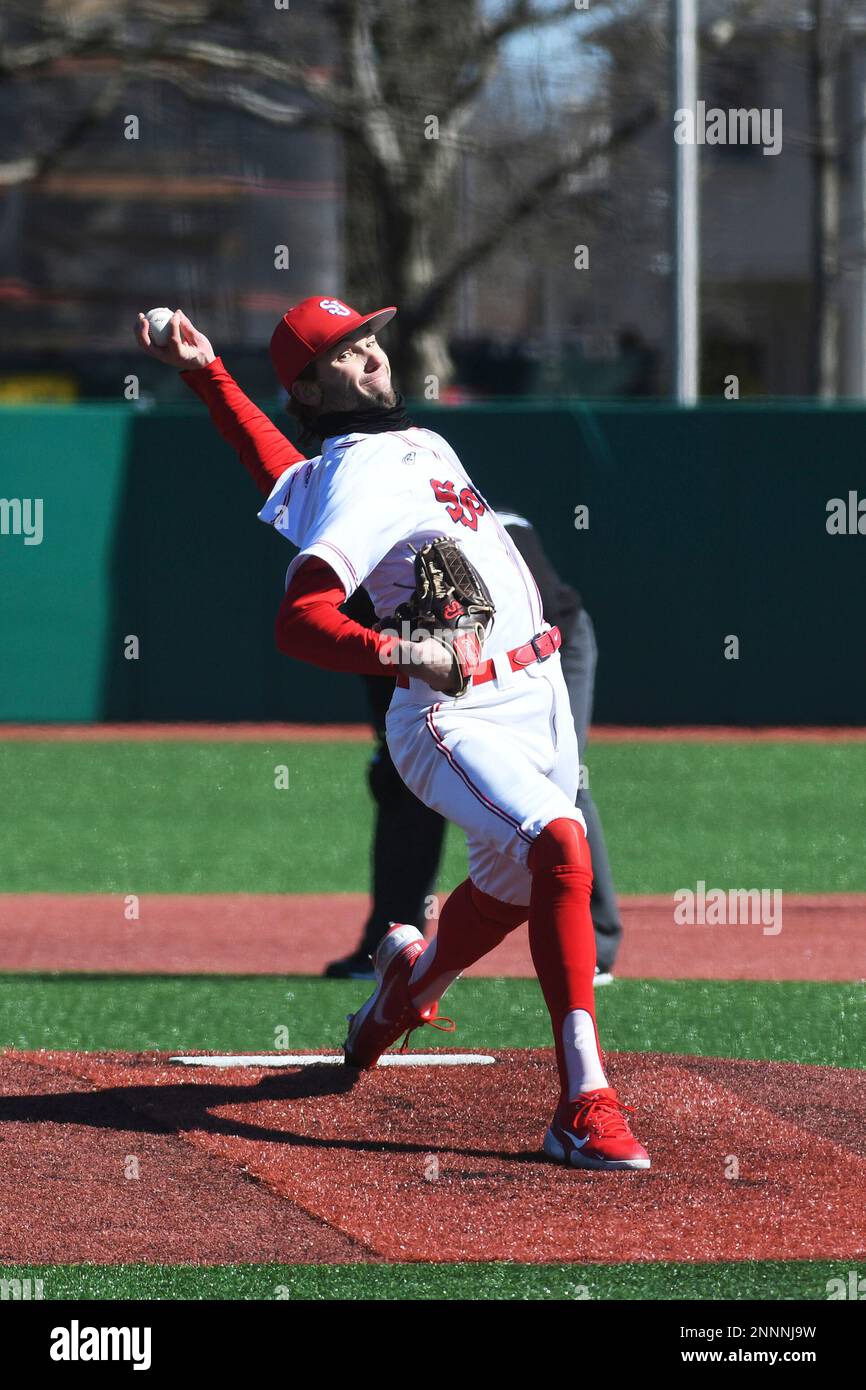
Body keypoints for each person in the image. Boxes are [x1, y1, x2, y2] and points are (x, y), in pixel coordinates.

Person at [135, 297, 649, 1172]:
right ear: (308, 384)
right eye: (346, 351)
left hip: (537, 695)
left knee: (514, 890)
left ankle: (401, 991)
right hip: (452, 714)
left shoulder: (405, 447)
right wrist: (398, 648)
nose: (372, 355)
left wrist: (205, 372)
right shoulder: (363, 475)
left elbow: (277, 476)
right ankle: (583, 1103)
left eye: (370, 339)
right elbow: (299, 621)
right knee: (560, 844)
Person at [328, 529, 624, 986]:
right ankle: (389, 942)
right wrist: (391, 758)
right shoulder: (374, 563)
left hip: (549, 645)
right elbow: (387, 676)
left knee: (557, 784)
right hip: (444, 664)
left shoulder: (472, 527)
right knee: (407, 784)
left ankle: (595, 945)